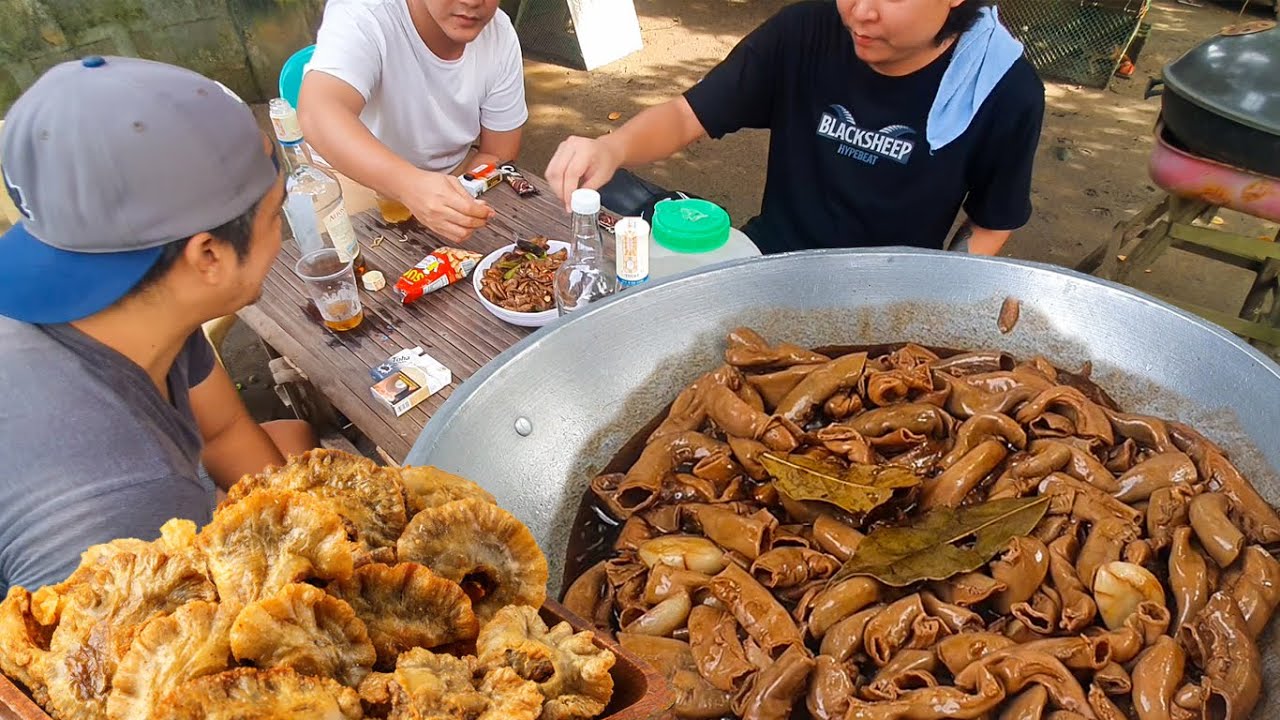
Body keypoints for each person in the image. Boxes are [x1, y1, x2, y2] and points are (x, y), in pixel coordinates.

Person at [0, 56, 318, 594]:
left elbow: (223, 433)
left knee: (296, 438)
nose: (280, 231)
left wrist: (306, 539)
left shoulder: (131, 294)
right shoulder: (125, 507)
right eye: (275, 214)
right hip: (98, 625)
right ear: (208, 255)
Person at [546, 0, 1045, 256]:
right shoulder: (805, 30)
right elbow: (687, 114)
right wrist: (613, 146)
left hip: (884, 297)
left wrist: (932, 292)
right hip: (768, 259)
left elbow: (990, 224)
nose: (859, 13)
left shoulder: (1002, 88)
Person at [298, 0, 528, 244]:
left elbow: (497, 154)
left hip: (453, 174)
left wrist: (460, 200)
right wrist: (410, 186)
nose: (472, 1)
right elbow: (317, 111)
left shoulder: (500, 33)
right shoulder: (364, 12)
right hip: (351, 176)